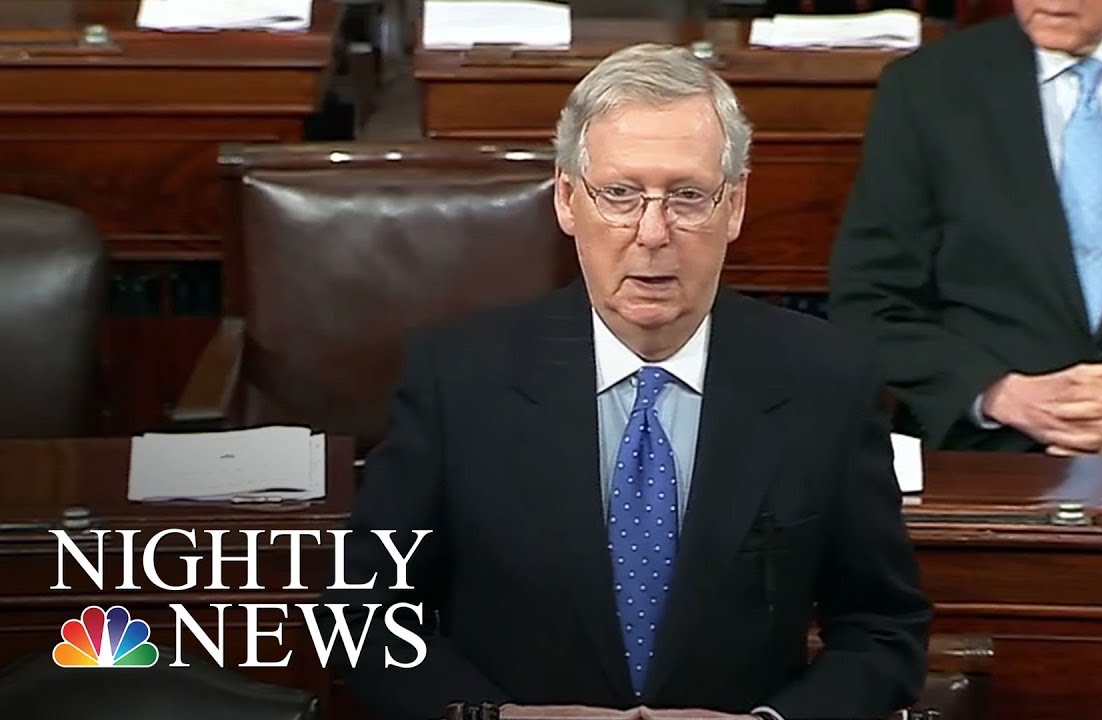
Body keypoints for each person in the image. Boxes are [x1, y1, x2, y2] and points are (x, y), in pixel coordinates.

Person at [320, 43, 931, 720]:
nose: (652, 233)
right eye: (619, 194)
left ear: (734, 206)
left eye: (688, 196)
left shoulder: (826, 381)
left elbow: (883, 630)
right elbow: (361, 614)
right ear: (567, 199)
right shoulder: (459, 377)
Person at [829, 0, 1102, 456]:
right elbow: (871, 297)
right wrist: (1000, 395)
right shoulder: (929, 88)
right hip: (984, 447)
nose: (1051, 1)